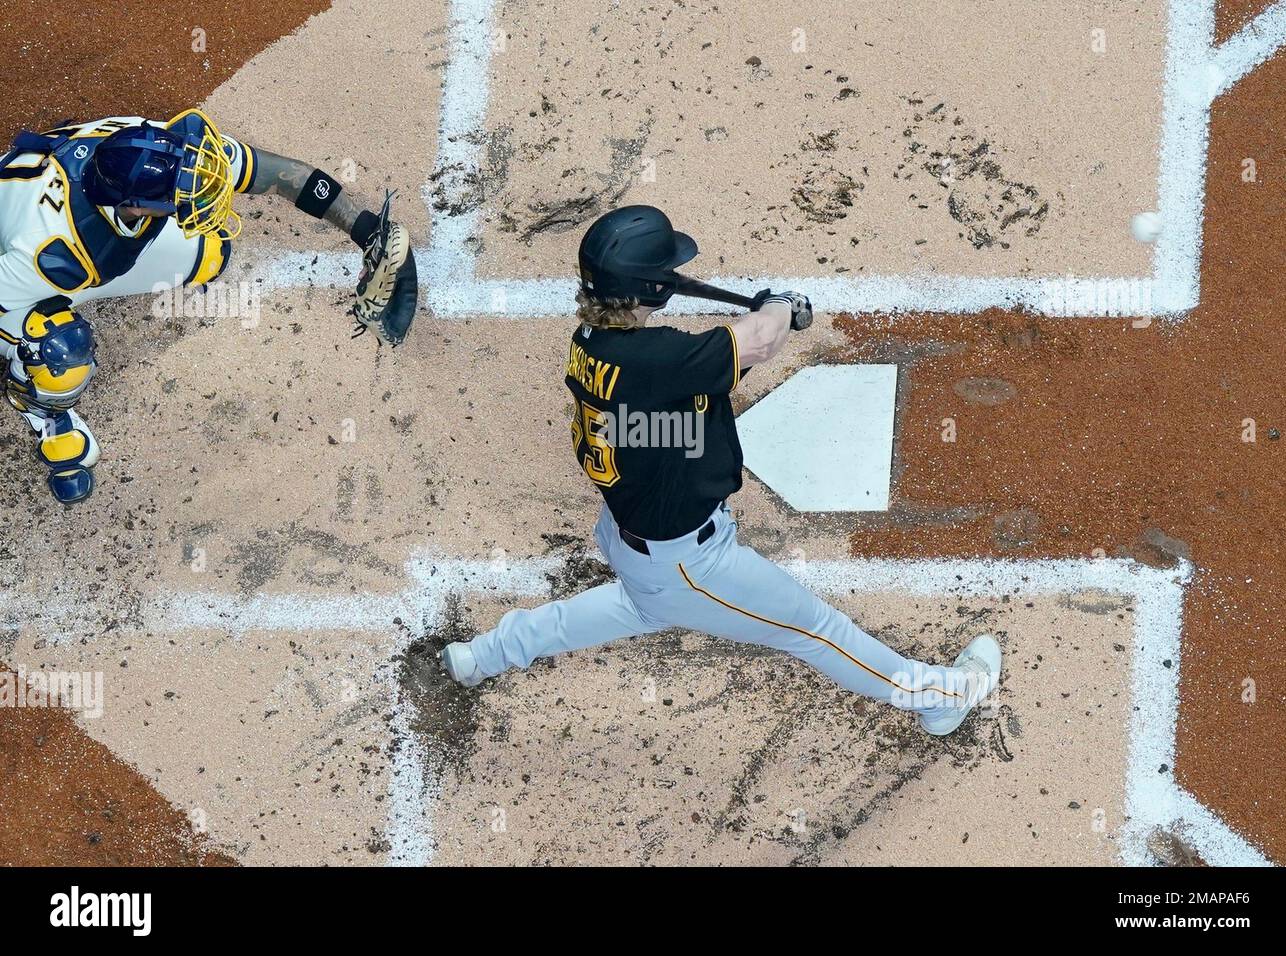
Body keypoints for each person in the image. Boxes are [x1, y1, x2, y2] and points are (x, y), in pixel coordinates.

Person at [441, 204, 1000, 736]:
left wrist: (756, 325)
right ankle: (943, 699)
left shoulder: (594, 343)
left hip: (631, 538)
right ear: (652, 288)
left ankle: (482, 656)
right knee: (815, 630)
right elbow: (759, 340)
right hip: (689, 563)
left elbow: (700, 375)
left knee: (630, 607)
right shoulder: (657, 360)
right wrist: (781, 305)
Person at [0, 110, 417, 502]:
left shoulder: (170, 151)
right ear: (134, 205)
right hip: (20, 270)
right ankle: (38, 405)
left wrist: (361, 228)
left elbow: (282, 176)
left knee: (212, 253)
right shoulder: (56, 256)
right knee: (60, 348)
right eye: (176, 197)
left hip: (61, 225)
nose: (202, 193)